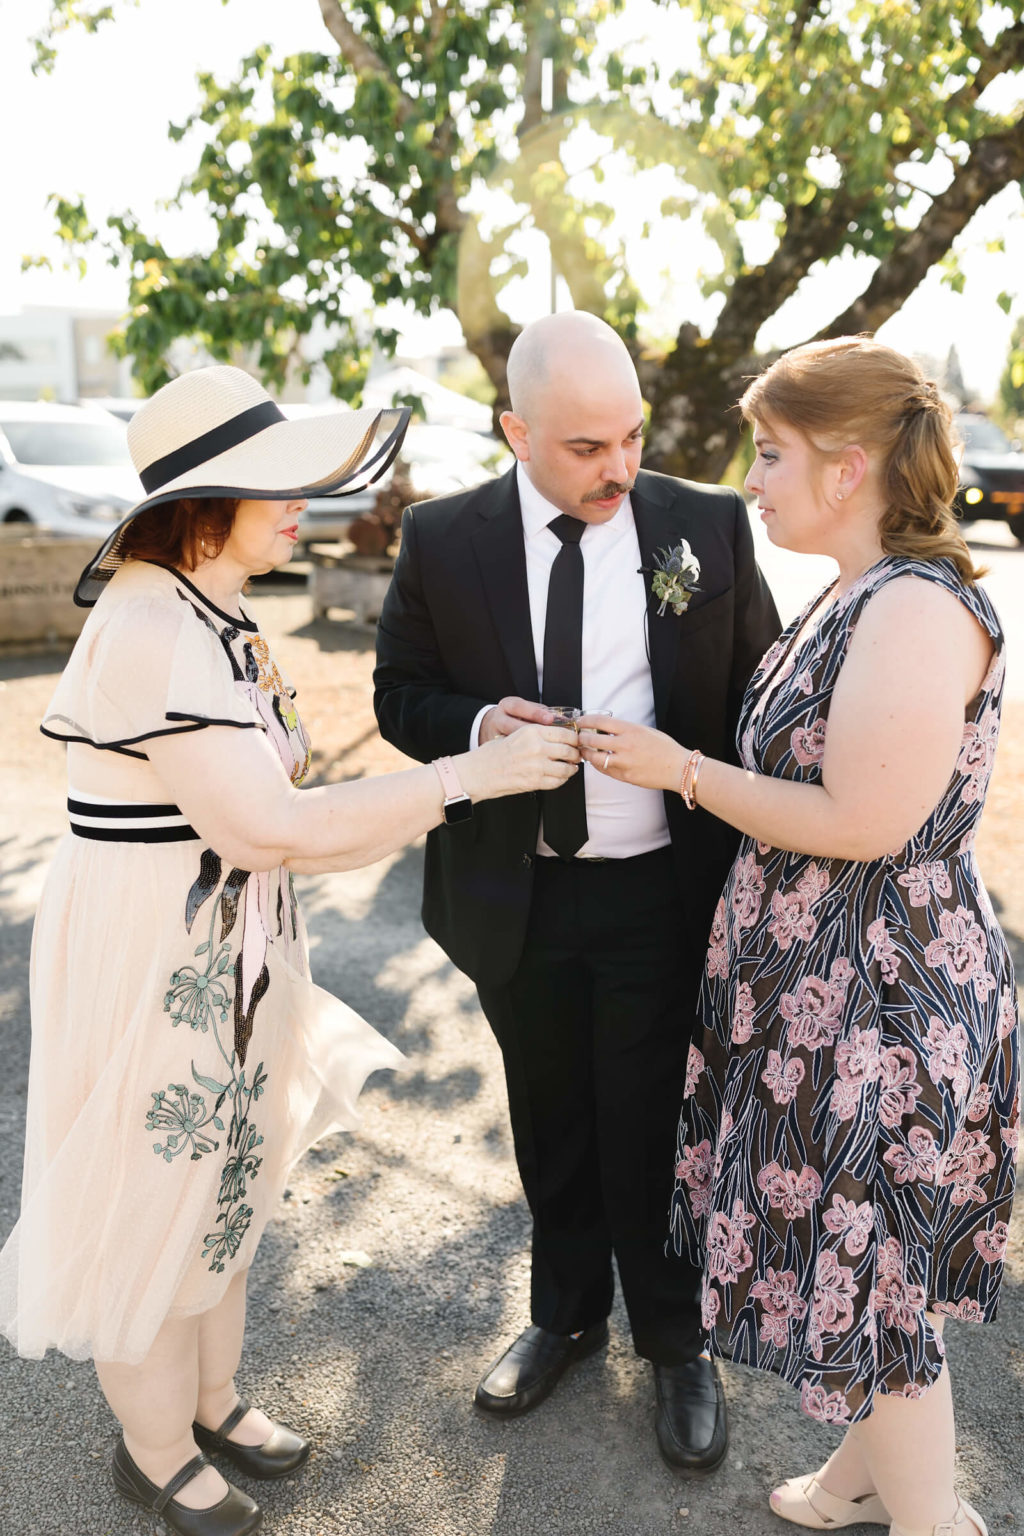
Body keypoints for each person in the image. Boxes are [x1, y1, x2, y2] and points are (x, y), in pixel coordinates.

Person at [0, 365, 580, 1536]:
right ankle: (153, 1449)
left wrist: (468, 750)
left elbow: (280, 804)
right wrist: (469, 777)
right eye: (276, 485)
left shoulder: (213, 606)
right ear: (201, 503)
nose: (303, 502)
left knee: (226, 1181)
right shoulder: (157, 625)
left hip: (229, 944)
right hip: (162, 950)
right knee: (157, 1193)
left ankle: (208, 1401)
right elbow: (269, 826)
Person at [574, 336, 1017, 1536]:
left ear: (847, 467)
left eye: (771, 455)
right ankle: (856, 1479)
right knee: (849, 1242)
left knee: (874, 1279)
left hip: (879, 993)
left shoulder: (915, 607)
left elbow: (864, 822)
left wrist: (684, 774)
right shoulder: (857, 589)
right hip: (826, 980)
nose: (750, 479)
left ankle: (936, 1521)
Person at [373, 311, 781, 1469]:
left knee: (651, 1119)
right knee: (548, 1110)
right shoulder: (442, 539)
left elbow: (761, 692)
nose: (619, 469)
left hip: (664, 887)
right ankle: (561, 1316)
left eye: (631, 439)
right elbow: (398, 691)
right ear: (515, 430)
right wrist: (477, 724)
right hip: (517, 893)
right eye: (587, 448)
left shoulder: (702, 524)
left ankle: (674, 1341)